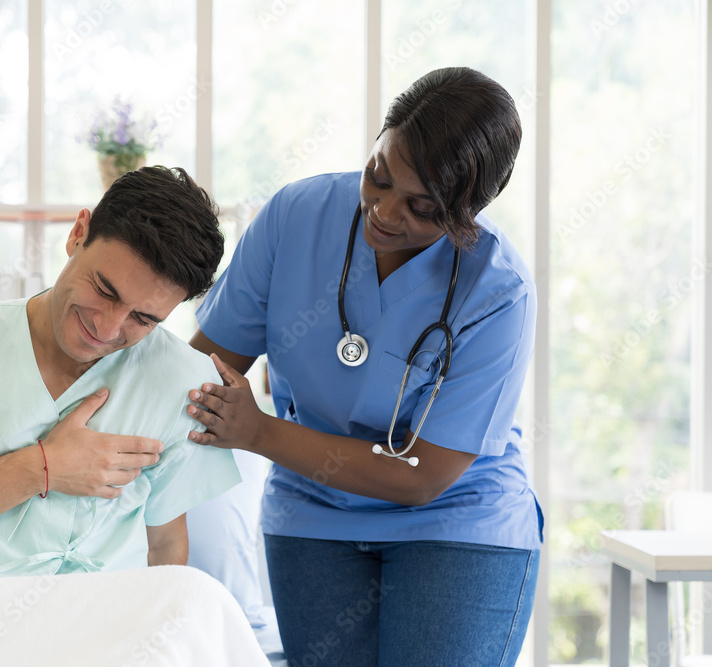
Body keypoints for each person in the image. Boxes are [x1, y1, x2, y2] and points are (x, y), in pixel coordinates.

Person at [185, 67, 542, 667]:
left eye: (421, 207)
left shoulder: (499, 292)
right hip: (313, 510)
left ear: (468, 210)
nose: (384, 210)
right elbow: (206, 368)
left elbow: (422, 475)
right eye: (378, 176)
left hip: (453, 519)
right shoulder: (295, 217)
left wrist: (258, 432)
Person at [0, 165, 240, 579]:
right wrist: (42, 467)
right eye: (105, 291)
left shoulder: (181, 383)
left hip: (97, 635)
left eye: (143, 319)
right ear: (78, 234)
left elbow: (165, 547)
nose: (107, 330)